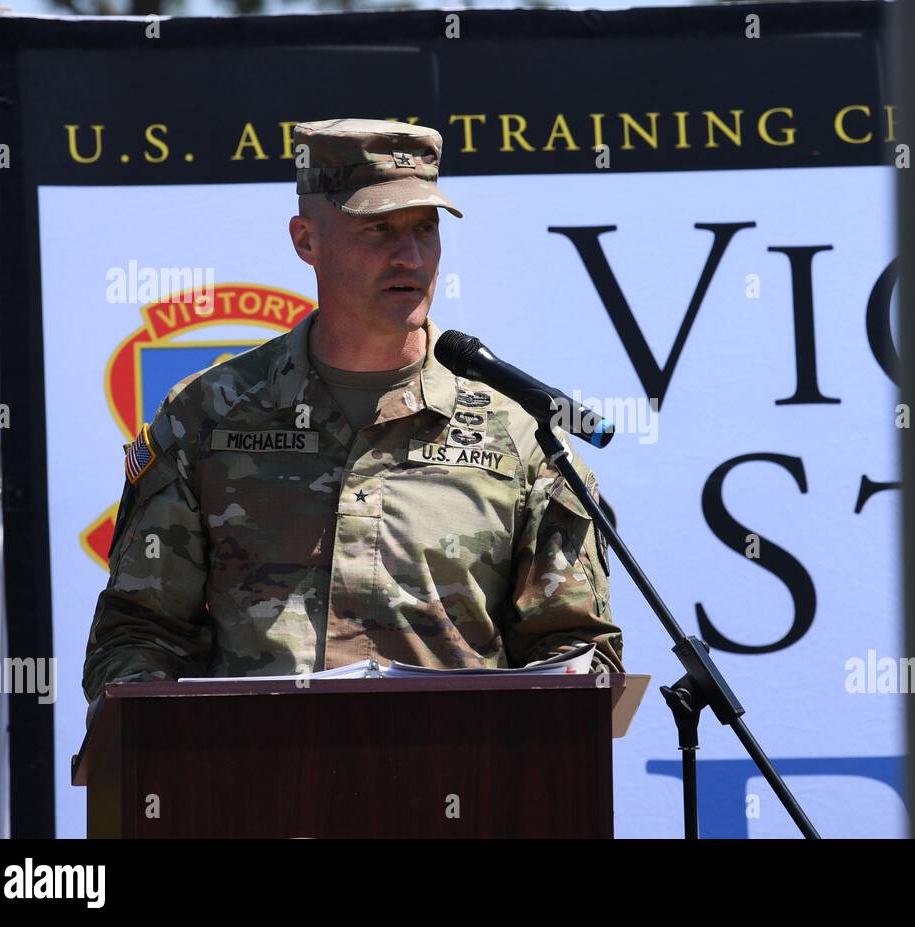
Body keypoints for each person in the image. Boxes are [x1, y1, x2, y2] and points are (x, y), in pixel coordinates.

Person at [82, 118, 622, 726]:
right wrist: (164, 742)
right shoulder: (208, 415)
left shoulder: (518, 430)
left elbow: (576, 650)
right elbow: (139, 631)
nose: (410, 255)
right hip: (256, 790)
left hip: (464, 791)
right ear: (306, 240)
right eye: (378, 229)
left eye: (426, 228)